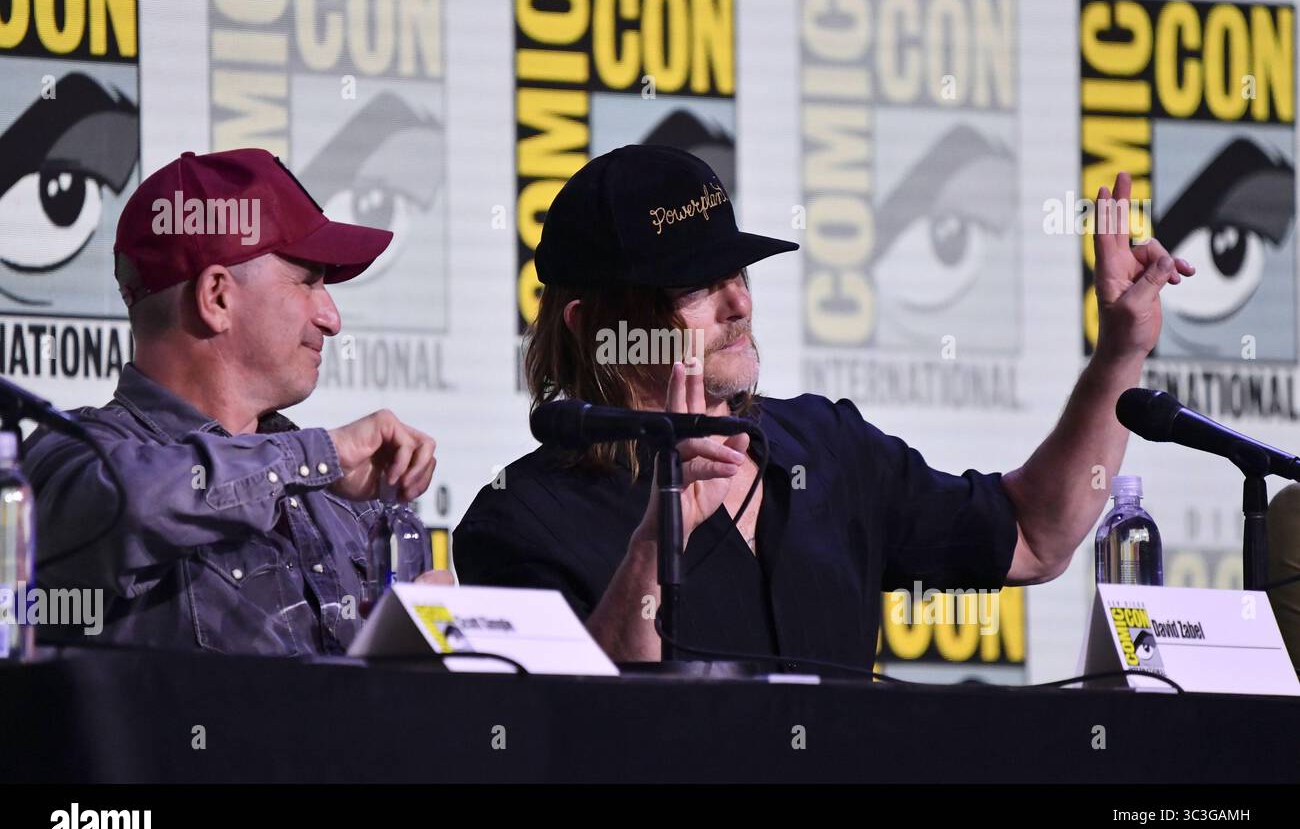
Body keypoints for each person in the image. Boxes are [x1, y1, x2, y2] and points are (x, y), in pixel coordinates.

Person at [454, 144, 1196, 668]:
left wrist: (1122, 350)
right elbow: (573, 740)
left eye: (737, 270)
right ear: (592, 325)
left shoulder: (824, 446)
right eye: (693, 285)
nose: (739, 302)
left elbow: (1037, 537)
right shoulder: (517, 520)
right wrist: (654, 549)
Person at [24, 149, 442, 655]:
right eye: (308, 281)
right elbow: (129, 506)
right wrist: (319, 456)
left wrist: (428, 651)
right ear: (217, 297)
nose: (332, 318)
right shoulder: (67, 457)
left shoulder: (345, 493)